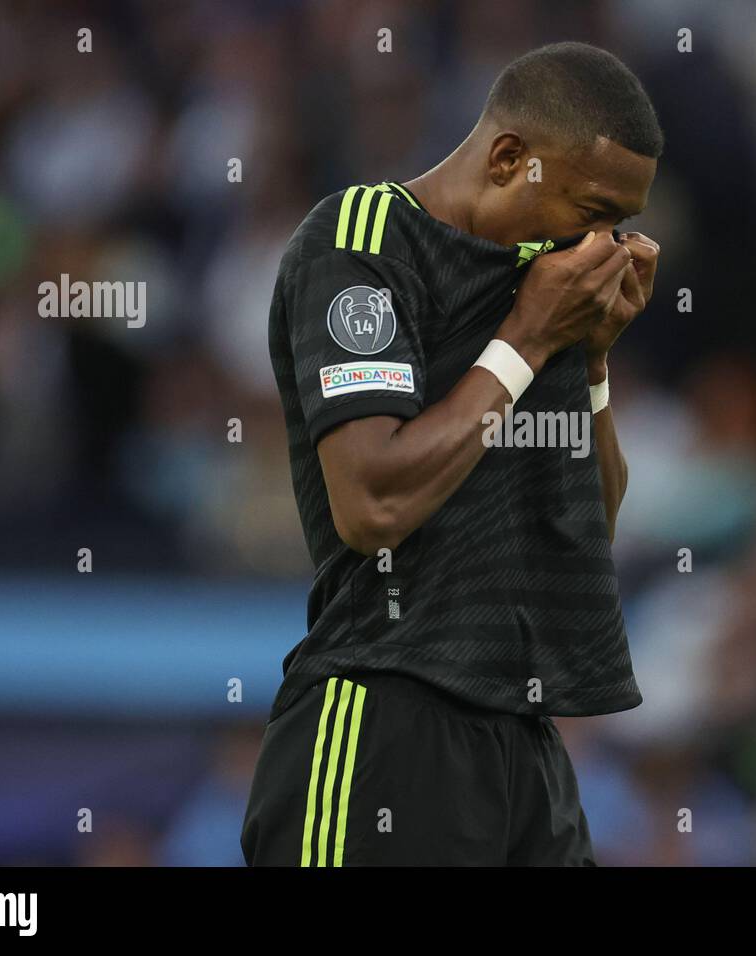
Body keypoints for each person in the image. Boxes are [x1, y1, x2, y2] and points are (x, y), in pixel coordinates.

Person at [241, 41, 663, 866]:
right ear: (511, 160)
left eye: (623, 224)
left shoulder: (542, 293)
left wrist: (594, 360)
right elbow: (373, 506)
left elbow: (586, 533)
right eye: (591, 212)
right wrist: (528, 339)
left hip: (525, 746)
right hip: (382, 721)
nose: (605, 248)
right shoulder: (364, 241)